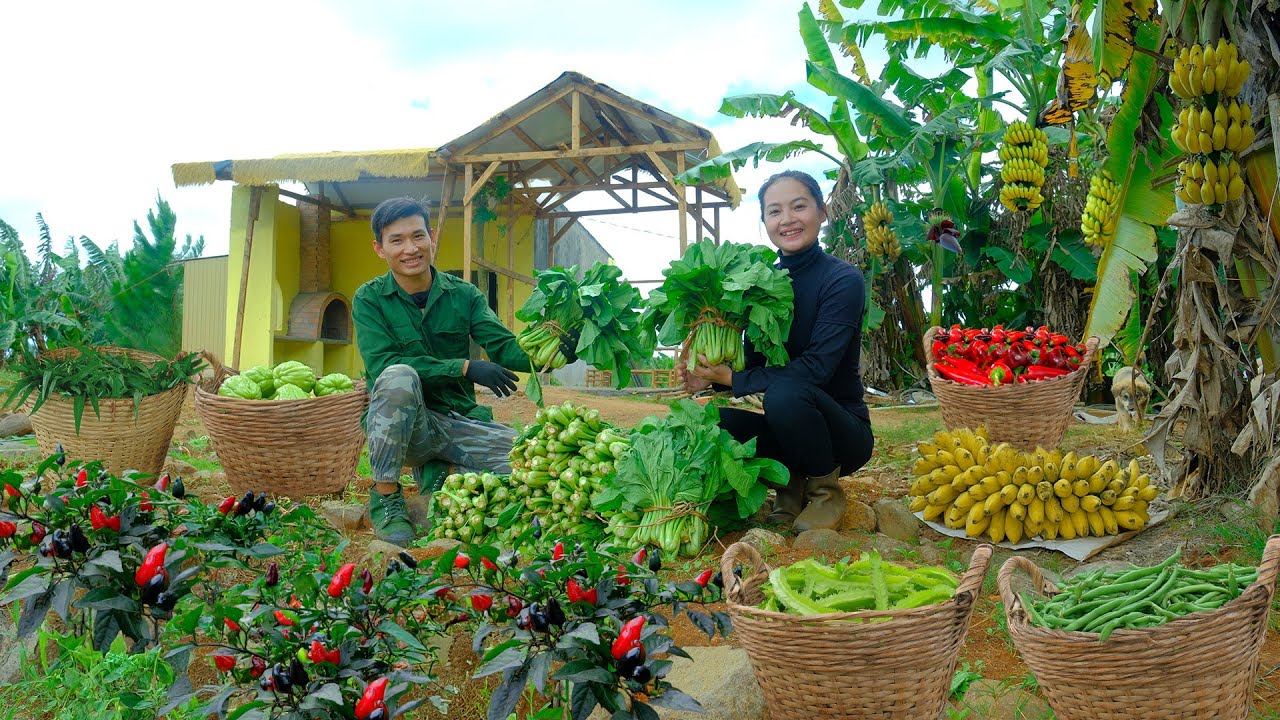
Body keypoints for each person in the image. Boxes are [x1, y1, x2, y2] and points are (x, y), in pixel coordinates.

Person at [352, 197, 570, 545]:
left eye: (418, 236)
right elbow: (382, 366)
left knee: (533, 462)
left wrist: (556, 350)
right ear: (380, 248)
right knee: (398, 376)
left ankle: (443, 472)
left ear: (432, 236)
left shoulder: (464, 295)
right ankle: (387, 496)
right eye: (397, 240)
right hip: (406, 429)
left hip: (459, 422)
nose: (411, 249)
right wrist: (465, 367)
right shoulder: (370, 299)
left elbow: (502, 346)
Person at [682, 170, 874, 532]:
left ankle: (823, 491)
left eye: (799, 206)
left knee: (786, 393)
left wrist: (735, 378)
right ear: (765, 222)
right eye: (774, 211)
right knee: (715, 423)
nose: (787, 219)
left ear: (822, 212)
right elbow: (755, 367)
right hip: (787, 425)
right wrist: (709, 380)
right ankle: (790, 483)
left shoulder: (841, 279)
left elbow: (817, 369)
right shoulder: (756, 285)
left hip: (841, 436)